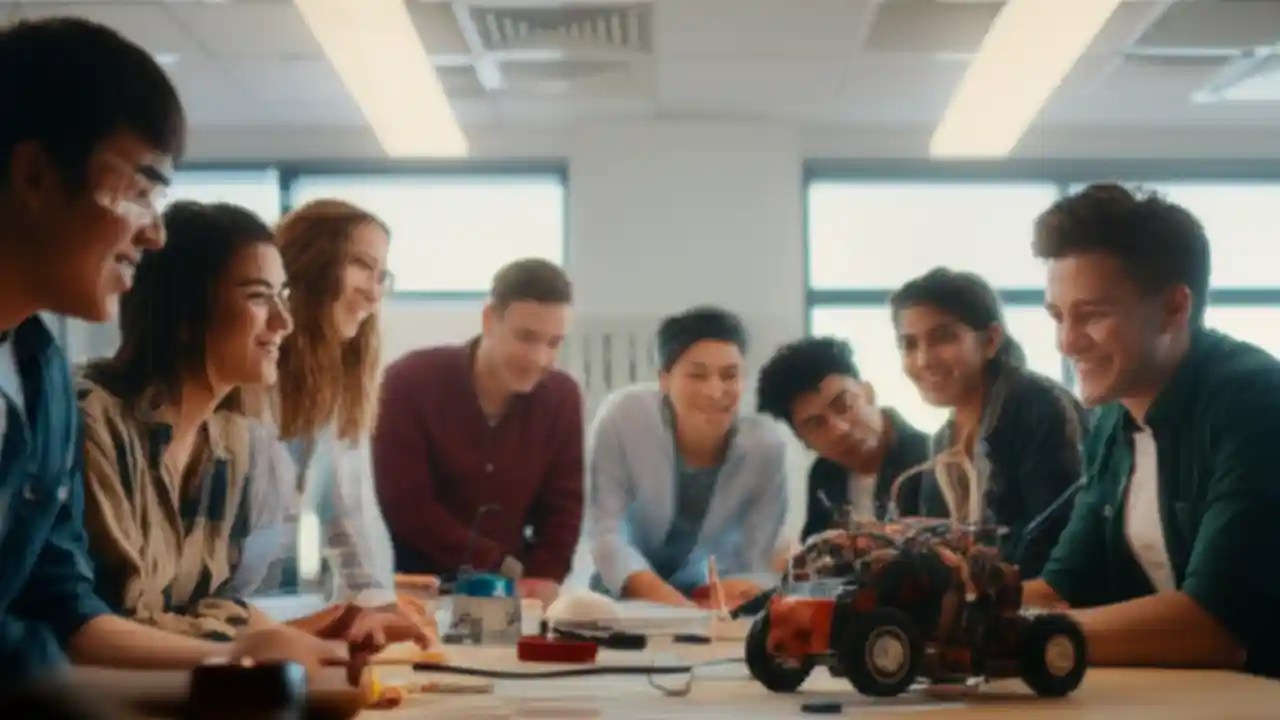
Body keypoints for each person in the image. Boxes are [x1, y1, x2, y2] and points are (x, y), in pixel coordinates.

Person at [0, 17, 337, 683]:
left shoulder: (37, 380)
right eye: (139, 190)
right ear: (36, 177)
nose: (155, 235)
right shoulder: (86, 408)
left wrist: (254, 654)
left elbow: (52, 613)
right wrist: (234, 658)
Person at [1024, 183, 1280, 676]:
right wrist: (943, 616)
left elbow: (1217, 626)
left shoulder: (1257, 403)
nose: (1067, 342)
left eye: (1092, 315)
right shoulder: (1113, 420)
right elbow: (1064, 587)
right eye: (1058, 316)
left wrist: (1013, 637)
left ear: (1173, 309)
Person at [78, 201, 295, 640]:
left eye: (283, 296)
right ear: (185, 312)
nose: (283, 321)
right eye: (258, 296)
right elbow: (112, 620)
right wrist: (249, 642)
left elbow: (214, 605)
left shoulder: (232, 444)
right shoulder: (92, 421)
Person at [231, 198, 435, 652]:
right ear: (307, 264)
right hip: (221, 623)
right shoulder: (242, 377)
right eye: (362, 266)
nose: (374, 291)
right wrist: (353, 611)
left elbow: (352, 512)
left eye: (382, 276)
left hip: (263, 615)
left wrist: (378, 602)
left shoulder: (337, 385)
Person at [374, 258, 583, 605]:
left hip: (509, 594)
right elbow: (406, 504)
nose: (539, 358)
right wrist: (500, 565)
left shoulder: (562, 397)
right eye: (526, 338)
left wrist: (543, 576)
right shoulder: (409, 381)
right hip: (414, 590)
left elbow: (563, 507)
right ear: (489, 320)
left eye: (554, 342)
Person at [890, 268, 1085, 578]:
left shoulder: (1041, 407)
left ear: (991, 340)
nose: (924, 359)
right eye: (909, 345)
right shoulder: (943, 444)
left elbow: (1058, 544)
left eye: (942, 338)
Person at [587, 307, 788, 608]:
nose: (715, 390)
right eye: (697, 375)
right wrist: (683, 611)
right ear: (665, 379)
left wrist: (728, 596)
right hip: (625, 592)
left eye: (729, 375)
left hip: (714, 597)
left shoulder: (766, 446)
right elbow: (607, 535)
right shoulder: (623, 417)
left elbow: (755, 558)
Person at [757, 336, 930, 540]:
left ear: (868, 393)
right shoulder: (823, 474)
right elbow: (815, 555)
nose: (839, 429)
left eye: (844, 405)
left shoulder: (932, 461)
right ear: (802, 440)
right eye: (816, 424)